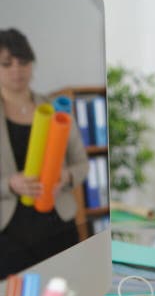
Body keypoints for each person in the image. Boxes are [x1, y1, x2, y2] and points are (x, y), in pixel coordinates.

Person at [0, 28, 89, 279]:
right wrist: (10, 184)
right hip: (9, 233)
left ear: (32, 64)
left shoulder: (55, 108)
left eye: (23, 62)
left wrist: (66, 176)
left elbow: (81, 164)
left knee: (68, 292)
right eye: (6, 64)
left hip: (58, 224)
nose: (17, 70)